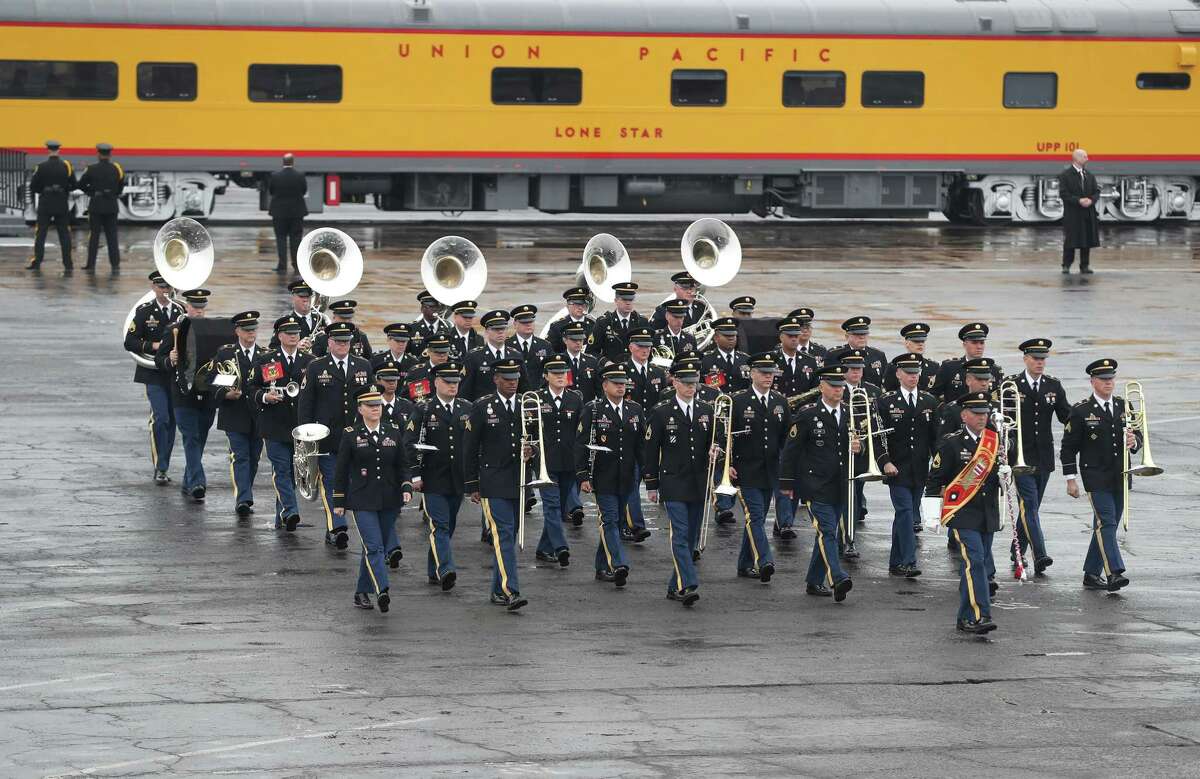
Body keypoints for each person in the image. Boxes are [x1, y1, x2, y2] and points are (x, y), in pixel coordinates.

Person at [925, 392, 1003, 634]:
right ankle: (981, 615)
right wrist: (931, 516)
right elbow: (934, 479)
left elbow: (997, 481)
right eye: (977, 413)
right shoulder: (951, 443)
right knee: (976, 561)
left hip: (987, 513)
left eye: (985, 413)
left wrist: (1005, 475)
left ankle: (964, 617)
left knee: (973, 566)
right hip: (962, 513)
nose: (982, 418)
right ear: (964, 415)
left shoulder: (994, 441)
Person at [1060, 359, 1139, 592]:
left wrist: (1135, 442)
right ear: (1093, 381)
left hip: (1121, 475)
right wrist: (1070, 479)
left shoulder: (1124, 405)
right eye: (1103, 379)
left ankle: (1091, 573)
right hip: (1095, 476)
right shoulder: (1081, 410)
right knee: (1107, 521)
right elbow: (1068, 447)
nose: (1108, 383)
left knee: (1105, 526)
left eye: (1111, 379)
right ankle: (1114, 571)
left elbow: (1140, 435)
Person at [780, 365, 858, 603]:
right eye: (833, 386)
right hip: (815, 483)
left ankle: (814, 581)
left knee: (827, 533)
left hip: (840, 483)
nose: (838, 390)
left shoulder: (849, 413)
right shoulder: (808, 414)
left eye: (841, 386)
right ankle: (837, 577)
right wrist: (786, 482)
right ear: (822, 387)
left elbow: (856, 448)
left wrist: (860, 447)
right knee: (826, 530)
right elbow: (790, 451)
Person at [462, 358, 534, 611]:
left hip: (519, 479)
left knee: (508, 537)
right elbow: (469, 448)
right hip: (492, 481)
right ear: (496, 380)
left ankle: (496, 590)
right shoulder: (482, 407)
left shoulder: (527, 405)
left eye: (515, 379)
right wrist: (472, 483)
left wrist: (531, 451)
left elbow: (537, 439)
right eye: (507, 379)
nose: (513, 384)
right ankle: (510, 590)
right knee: (503, 535)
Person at [333, 390, 413, 613]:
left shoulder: (393, 432)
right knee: (375, 547)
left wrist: (406, 486)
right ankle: (382, 590)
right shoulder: (350, 434)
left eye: (377, 405)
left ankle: (361, 591)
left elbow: (402, 465)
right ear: (360, 409)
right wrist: (339, 500)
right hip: (362, 499)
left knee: (373, 548)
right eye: (370, 406)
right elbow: (341, 470)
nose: (375, 408)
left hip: (389, 499)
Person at [297, 321, 374, 549]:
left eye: (346, 341)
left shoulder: (363, 365)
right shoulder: (316, 367)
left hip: (356, 436)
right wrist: (305, 436)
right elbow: (306, 403)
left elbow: (369, 402)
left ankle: (358, 525)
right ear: (329, 342)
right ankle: (337, 527)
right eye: (338, 341)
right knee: (332, 482)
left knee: (356, 482)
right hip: (327, 437)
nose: (343, 345)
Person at [643, 364, 714, 608]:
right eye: (686, 383)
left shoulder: (706, 410)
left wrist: (717, 452)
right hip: (673, 481)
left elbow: (715, 441)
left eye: (694, 383)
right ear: (675, 383)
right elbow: (650, 450)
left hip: (698, 481)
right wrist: (651, 484)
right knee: (681, 534)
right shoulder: (661, 411)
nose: (691, 387)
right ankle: (687, 583)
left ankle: (674, 586)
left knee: (692, 536)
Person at [1004, 338, 1071, 576]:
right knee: (1029, 505)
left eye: (1043, 359)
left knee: (1030, 508)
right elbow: (1001, 419)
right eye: (1035, 358)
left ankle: (1017, 549)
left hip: (1043, 457)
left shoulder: (1053, 385)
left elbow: (1067, 416)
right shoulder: (1011, 384)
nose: (1040, 363)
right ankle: (1040, 554)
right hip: (1019, 457)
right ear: (1025, 359)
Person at [577, 364, 644, 588]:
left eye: (623, 383)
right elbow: (581, 444)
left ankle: (600, 566)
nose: (620, 387)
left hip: (626, 475)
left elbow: (641, 445)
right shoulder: (593, 409)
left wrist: (646, 473)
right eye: (616, 383)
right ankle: (618, 563)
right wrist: (583, 475)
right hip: (602, 474)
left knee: (614, 521)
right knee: (610, 519)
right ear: (605, 385)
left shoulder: (635, 409)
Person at [406, 362, 471, 591]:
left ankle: (433, 568)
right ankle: (446, 569)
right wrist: (414, 475)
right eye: (448, 382)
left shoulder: (466, 408)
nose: (453, 386)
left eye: (456, 382)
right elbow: (410, 443)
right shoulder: (423, 409)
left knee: (448, 526)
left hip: (457, 478)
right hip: (433, 477)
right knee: (440, 525)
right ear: (436, 382)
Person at [876, 354, 939, 577]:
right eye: (909, 372)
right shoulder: (886, 401)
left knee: (904, 513)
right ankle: (909, 561)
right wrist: (885, 462)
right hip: (896, 468)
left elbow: (934, 439)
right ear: (898, 374)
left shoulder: (929, 401)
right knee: (906, 513)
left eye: (916, 373)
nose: (913, 376)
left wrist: (937, 467)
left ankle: (895, 562)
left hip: (920, 468)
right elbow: (878, 437)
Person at [249, 315, 313, 531]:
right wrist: (265, 397)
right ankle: (291, 510)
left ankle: (282, 517)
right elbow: (252, 388)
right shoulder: (267, 360)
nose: (294, 336)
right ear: (279, 336)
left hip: (300, 427)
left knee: (295, 473)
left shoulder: (310, 361)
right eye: (289, 333)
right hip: (274, 424)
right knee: (282, 469)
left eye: (296, 333)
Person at [729, 354, 788, 583]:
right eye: (763, 372)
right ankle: (764, 560)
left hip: (771, 470)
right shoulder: (738, 401)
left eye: (771, 373)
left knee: (757, 518)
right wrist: (729, 465)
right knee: (754, 515)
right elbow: (726, 437)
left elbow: (785, 439)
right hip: (745, 470)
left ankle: (744, 565)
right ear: (752, 373)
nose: (768, 377)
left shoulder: (779, 402)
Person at [155, 289, 216, 502]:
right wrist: (169, 360)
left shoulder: (211, 330)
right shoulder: (174, 329)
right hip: (182, 394)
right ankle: (198, 481)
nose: (198, 312)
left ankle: (187, 480)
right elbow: (159, 360)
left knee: (200, 438)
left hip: (207, 395)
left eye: (202, 308)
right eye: (195, 308)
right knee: (190, 437)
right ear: (187, 307)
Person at [124, 271, 183, 484]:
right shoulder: (144, 311)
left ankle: (164, 465)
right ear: (153, 287)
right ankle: (160, 466)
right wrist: (153, 346)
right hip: (153, 373)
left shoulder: (180, 310)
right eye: (160, 287)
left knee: (173, 420)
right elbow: (129, 341)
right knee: (161, 418)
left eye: (167, 287)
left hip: (175, 373)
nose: (164, 291)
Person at [208, 311, 263, 518]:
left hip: (258, 416)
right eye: (247, 330)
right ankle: (243, 498)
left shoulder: (264, 354)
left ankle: (245, 492)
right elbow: (214, 381)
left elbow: (271, 382)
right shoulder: (225, 354)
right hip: (234, 414)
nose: (251, 333)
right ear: (237, 331)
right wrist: (226, 393)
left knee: (254, 458)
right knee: (240, 456)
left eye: (253, 329)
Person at [533, 356, 584, 568]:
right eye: (555, 373)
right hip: (545, 462)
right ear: (546, 376)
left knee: (560, 506)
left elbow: (580, 433)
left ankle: (544, 548)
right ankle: (561, 546)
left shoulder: (575, 398)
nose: (561, 376)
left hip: (568, 462)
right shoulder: (535, 398)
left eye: (563, 372)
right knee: (551, 506)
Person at [619, 326, 663, 543]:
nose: (645, 350)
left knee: (646, 475)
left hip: (651, 434)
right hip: (629, 433)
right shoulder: (621, 372)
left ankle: (627, 521)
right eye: (641, 346)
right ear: (631, 347)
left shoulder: (657, 372)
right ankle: (635, 525)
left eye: (648, 346)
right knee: (632, 479)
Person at [27, 140, 76, 271]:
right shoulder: (67, 165)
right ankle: (68, 264)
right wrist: (63, 189)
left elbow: (33, 186)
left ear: (48, 150)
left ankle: (37, 262)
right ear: (59, 150)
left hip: (46, 203)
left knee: (41, 233)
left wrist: (44, 190)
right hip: (61, 203)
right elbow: (74, 184)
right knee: (64, 234)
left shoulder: (41, 166)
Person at [78, 143, 124, 271]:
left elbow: (81, 184)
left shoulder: (91, 168)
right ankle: (115, 265)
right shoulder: (117, 168)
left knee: (94, 236)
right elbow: (121, 185)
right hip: (111, 206)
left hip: (96, 206)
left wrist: (91, 193)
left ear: (98, 154)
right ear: (110, 154)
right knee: (112, 236)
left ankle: (90, 264)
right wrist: (113, 194)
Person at [461, 309, 521, 402]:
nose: (500, 332)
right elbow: (465, 391)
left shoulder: (515, 355)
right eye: (496, 329)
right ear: (487, 331)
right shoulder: (474, 357)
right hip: (483, 411)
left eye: (503, 328)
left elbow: (523, 387)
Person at [932, 323, 1004, 400]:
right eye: (974, 343)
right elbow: (934, 395)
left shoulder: (994, 370)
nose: (979, 347)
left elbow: (999, 400)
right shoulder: (950, 368)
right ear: (964, 344)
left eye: (982, 343)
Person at [1058, 148, 1100, 274]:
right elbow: (1064, 194)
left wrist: (1091, 200)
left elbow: (1096, 191)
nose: (1087, 159)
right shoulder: (1065, 175)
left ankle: (1084, 265)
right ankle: (1066, 265)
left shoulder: (1089, 175)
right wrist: (1079, 200)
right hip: (1073, 214)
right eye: (1085, 157)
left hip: (1087, 212)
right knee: (1070, 240)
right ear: (1076, 158)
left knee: (1086, 239)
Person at [937, 357, 998, 438]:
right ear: (968, 380)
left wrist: (1009, 445)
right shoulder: (954, 409)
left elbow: (1011, 437)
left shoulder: (997, 407)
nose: (984, 383)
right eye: (979, 379)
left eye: (986, 379)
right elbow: (942, 441)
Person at [589, 282, 649, 363]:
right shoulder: (604, 322)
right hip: (611, 371)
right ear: (616, 301)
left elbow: (649, 350)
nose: (628, 303)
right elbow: (591, 351)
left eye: (631, 299)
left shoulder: (641, 322)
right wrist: (605, 362)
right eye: (624, 299)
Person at [268, 153, 307, 272]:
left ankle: (282, 265)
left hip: (279, 212)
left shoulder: (275, 176)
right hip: (296, 212)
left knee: (281, 238)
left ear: (283, 162)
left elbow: (271, 191)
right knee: (296, 238)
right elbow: (304, 190)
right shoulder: (300, 175)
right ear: (293, 162)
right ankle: (296, 265)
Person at [827, 317, 887, 387]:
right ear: (847, 336)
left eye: (864, 334)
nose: (862, 337)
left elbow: (885, 382)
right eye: (857, 334)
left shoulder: (878, 355)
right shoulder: (835, 355)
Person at [772, 316, 819, 400]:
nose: (794, 339)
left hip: (803, 408)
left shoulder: (810, 361)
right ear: (781, 337)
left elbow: (815, 390)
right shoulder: (771, 360)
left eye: (796, 336)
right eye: (790, 336)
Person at [507, 305, 554, 389]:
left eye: (530, 321)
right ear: (515, 324)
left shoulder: (545, 345)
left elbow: (551, 372)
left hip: (539, 394)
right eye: (524, 322)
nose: (528, 325)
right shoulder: (507, 345)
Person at [883, 323, 939, 392]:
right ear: (907, 343)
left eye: (923, 341)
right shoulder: (894, 367)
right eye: (916, 341)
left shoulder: (934, 367)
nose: (920, 344)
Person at [700, 316, 750, 394]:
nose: (731, 338)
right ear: (716, 338)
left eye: (733, 335)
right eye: (726, 336)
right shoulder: (706, 360)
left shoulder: (745, 359)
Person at [269, 280, 323, 350]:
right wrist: (293, 348)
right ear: (293, 298)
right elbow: (272, 349)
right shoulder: (284, 322)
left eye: (308, 296)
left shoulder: (321, 319)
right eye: (301, 296)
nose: (305, 300)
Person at [546, 287, 596, 354]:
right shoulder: (557, 327)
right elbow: (549, 351)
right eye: (576, 304)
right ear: (567, 305)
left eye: (582, 304)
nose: (580, 307)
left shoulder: (594, 325)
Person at [404, 334, 453, 402]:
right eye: (437, 352)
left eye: (445, 352)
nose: (442, 355)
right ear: (429, 352)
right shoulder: (417, 372)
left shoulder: (453, 372)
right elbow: (406, 399)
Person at [561, 321, 600, 401]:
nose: (578, 342)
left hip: (587, 407)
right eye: (574, 340)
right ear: (565, 340)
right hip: (566, 407)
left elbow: (599, 389)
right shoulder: (560, 362)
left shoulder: (592, 362)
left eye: (581, 339)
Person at [375, 365, 415, 431]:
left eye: (394, 380)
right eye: (387, 380)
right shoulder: (371, 406)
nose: (391, 383)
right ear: (378, 381)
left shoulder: (407, 405)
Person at [409, 290, 448, 357]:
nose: (434, 309)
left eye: (436, 306)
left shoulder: (447, 327)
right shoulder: (412, 329)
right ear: (422, 309)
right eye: (430, 306)